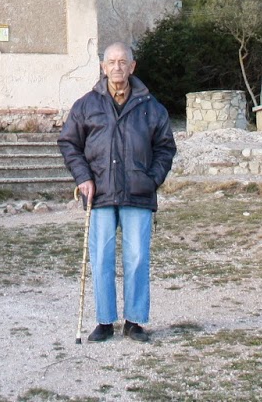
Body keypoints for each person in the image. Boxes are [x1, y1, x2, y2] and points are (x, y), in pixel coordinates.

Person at [58, 41, 177, 342]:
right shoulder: (86, 105)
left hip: (139, 192)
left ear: (133, 67)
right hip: (99, 193)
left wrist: (153, 179)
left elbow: (165, 147)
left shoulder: (152, 107)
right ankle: (104, 321)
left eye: (123, 62)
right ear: (103, 67)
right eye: (111, 62)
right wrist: (82, 177)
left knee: (137, 257)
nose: (117, 67)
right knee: (101, 257)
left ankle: (134, 321)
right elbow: (69, 143)